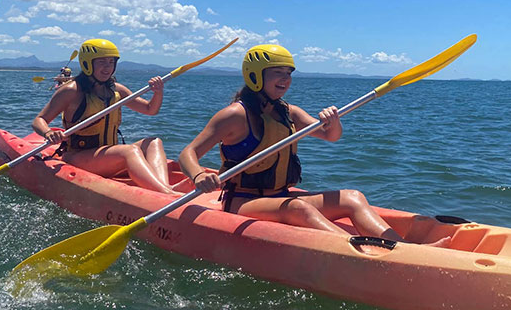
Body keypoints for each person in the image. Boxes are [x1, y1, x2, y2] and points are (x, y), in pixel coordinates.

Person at [179, 44, 448, 245]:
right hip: (243, 201)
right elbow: (188, 153)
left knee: (352, 198)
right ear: (255, 75)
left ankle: (404, 249)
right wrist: (199, 175)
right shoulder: (234, 115)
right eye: (277, 73)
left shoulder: (289, 112)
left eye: (288, 73)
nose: (285, 79)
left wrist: (332, 120)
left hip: (279, 195)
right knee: (298, 208)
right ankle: (362, 251)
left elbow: (331, 136)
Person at [32, 38, 178, 195]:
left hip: (107, 156)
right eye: (101, 62)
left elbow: (150, 110)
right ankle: (166, 194)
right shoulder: (71, 91)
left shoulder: (117, 90)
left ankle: (164, 188)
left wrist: (158, 92)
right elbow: (39, 120)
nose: (107, 67)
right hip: (78, 156)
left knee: (153, 142)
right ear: (87, 64)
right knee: (129, 151)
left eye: (111, 62)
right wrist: (48, 133)